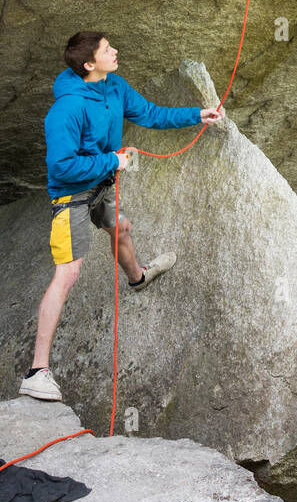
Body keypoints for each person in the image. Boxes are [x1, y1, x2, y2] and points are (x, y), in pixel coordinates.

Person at [18, 31, 223, 402]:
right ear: (89, 64)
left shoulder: (114, 86)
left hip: (101, 185)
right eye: (107, 50)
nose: (115, 51)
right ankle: (37, 371)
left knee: (121, 229)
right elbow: (61, 167)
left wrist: (197, 114)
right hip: (72, 196)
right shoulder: (66, 109)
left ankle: (138, 278)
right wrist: (113, 160)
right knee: (69, 271)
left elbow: (149, 114)